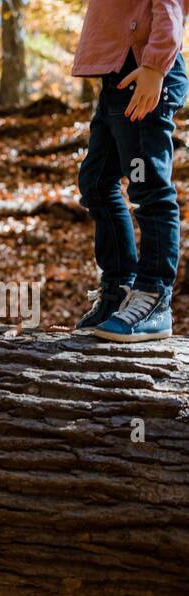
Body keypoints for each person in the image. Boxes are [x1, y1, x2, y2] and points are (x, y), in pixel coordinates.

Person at [73, 0, 188, 341]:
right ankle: (119, 287)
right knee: (95, 183)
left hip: (143, 76)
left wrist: (155, 67)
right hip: (116, 80)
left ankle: (153, 297)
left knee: (146, 185)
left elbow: (171, 4)